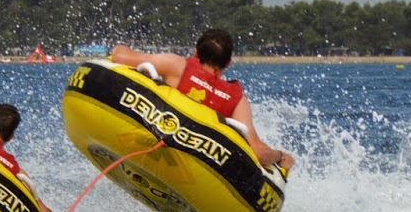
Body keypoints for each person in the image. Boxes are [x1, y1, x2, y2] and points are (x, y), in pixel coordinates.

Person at [109, 28, 294, 175]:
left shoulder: (178, 66)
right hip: (197, 166)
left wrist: (119, 48)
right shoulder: (236, 100)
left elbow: (119, 57)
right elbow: (259, 154)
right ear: (228, 62)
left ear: (196, 52)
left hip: (155, 138)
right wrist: (280, 157)